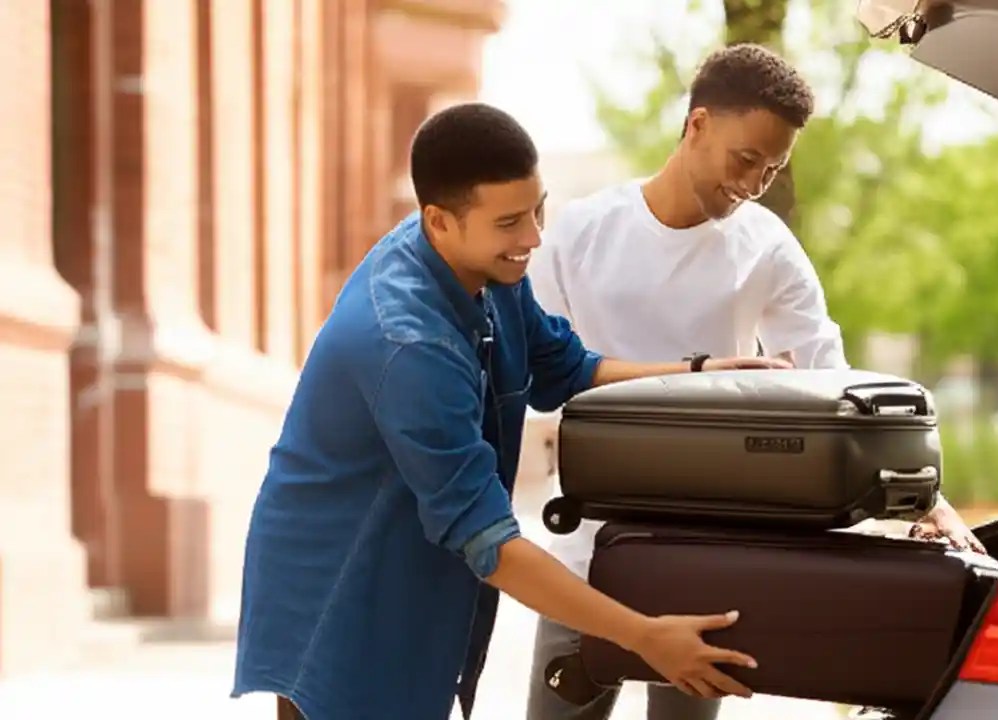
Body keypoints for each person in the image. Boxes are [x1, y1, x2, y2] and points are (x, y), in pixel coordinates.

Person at [230, 102, 791, 720]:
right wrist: (644, 636)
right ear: (438, 222)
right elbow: (489, 540)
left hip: (412, 552)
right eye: (509, 222)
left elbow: (566, 367)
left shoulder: (488, 262)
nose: (533, 238)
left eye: (537, 210)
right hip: (339, 577)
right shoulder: (406, 342)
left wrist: (696, 373)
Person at [525, 43, 985, 720]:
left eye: (771, 171)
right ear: (697, 125)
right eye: (745, 160)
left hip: (707, 561)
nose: (751, 184)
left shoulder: (764, 247)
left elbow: (833, 379)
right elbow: (539, 374)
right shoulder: (582, 232)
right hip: (585, 557)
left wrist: (924, 500)